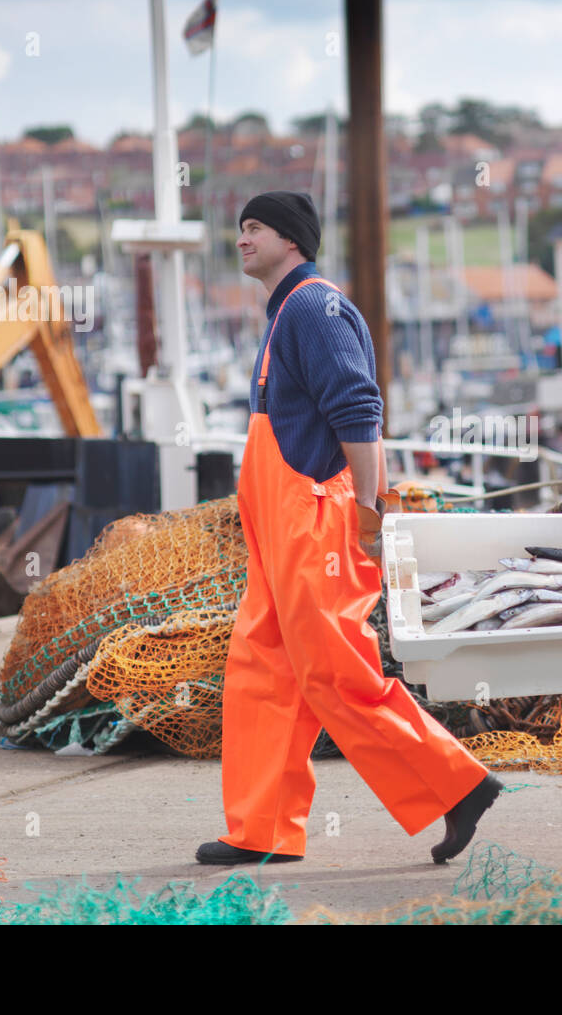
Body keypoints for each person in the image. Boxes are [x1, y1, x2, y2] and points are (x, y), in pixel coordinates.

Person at [197, 190, 502, 867]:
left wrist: (369, 514)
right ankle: (263, 828)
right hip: (279, 531)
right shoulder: (283, 312)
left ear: (293, 240)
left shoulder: (313, 306)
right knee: (261, 666)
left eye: (256, 228)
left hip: (311, 520)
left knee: (336, 672)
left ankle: (458, 785)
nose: (242, 239)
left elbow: (360, 409)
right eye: (239, 227)